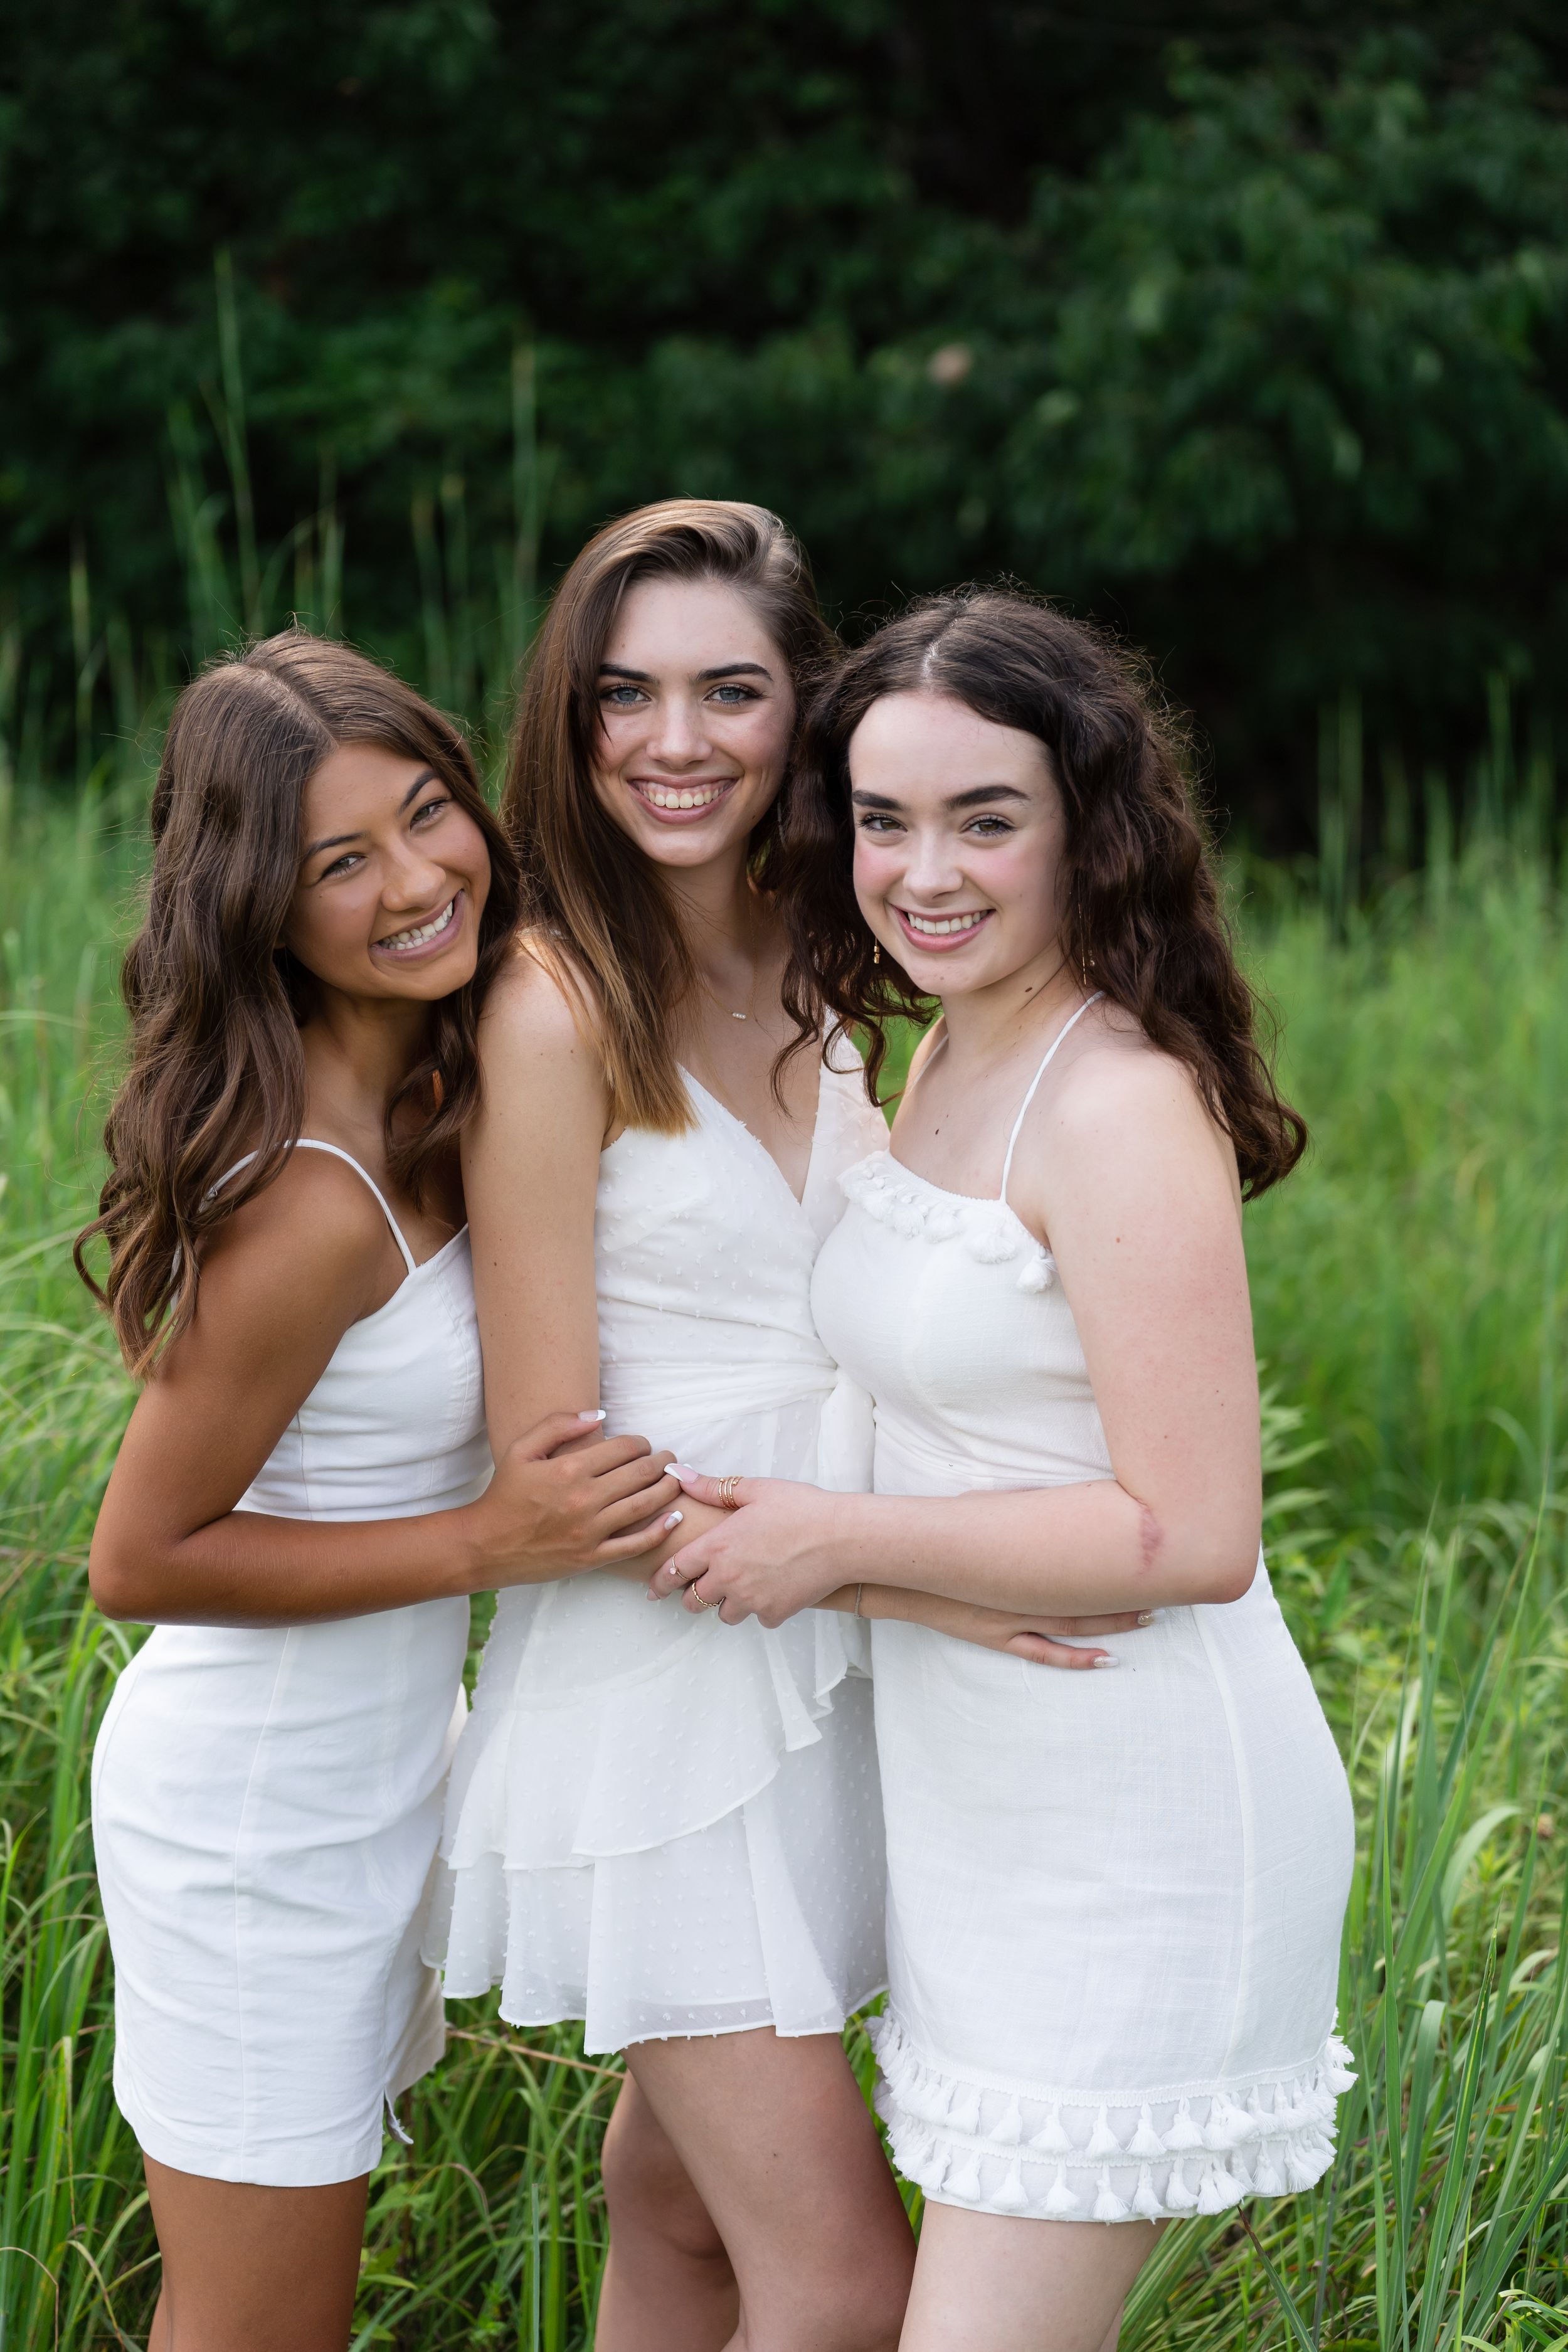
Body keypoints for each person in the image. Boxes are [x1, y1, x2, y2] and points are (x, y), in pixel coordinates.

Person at [425, 506, 1148, 2352]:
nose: (677, 742)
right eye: (626, 695)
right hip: (662, 1694)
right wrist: (909, 1587)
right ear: (567, 722)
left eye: (730, 691)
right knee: (835, 2287)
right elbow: (551, 1457)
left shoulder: (840, 957)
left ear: (800, 712)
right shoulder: (549, 1004)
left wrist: (893, 1573)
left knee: (676, 2216)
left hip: (824, 1655)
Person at [658, 588, 1357, 2352]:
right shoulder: (946, 1043)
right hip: (976, 1793)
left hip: (1126, 1805)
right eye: (883, 821)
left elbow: (1188, 1532)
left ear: (1087, 829)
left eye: (987, 818)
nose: (925, 871)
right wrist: (870, 1570)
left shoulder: (1113, 1098)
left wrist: (835, 1543)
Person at [81, 631, 681, 2352]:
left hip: (379, 1774)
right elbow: (139, 1557)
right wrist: (487, 1543)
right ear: (261, 905)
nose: (418, 880)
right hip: (255, 1817)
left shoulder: (426, 1086)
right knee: (260, 2326)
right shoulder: (304, 1202)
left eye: (430, 816)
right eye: (342, 863)